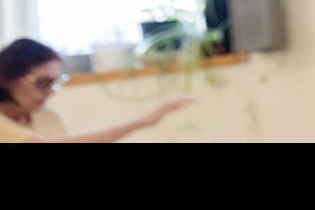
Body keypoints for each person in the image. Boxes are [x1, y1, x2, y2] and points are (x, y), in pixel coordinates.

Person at [0, 38, 196, 143]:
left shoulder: (47, 118)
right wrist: (141, 122)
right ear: (8, 78)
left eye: (55, 83)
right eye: (43, 83)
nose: (51, 92)